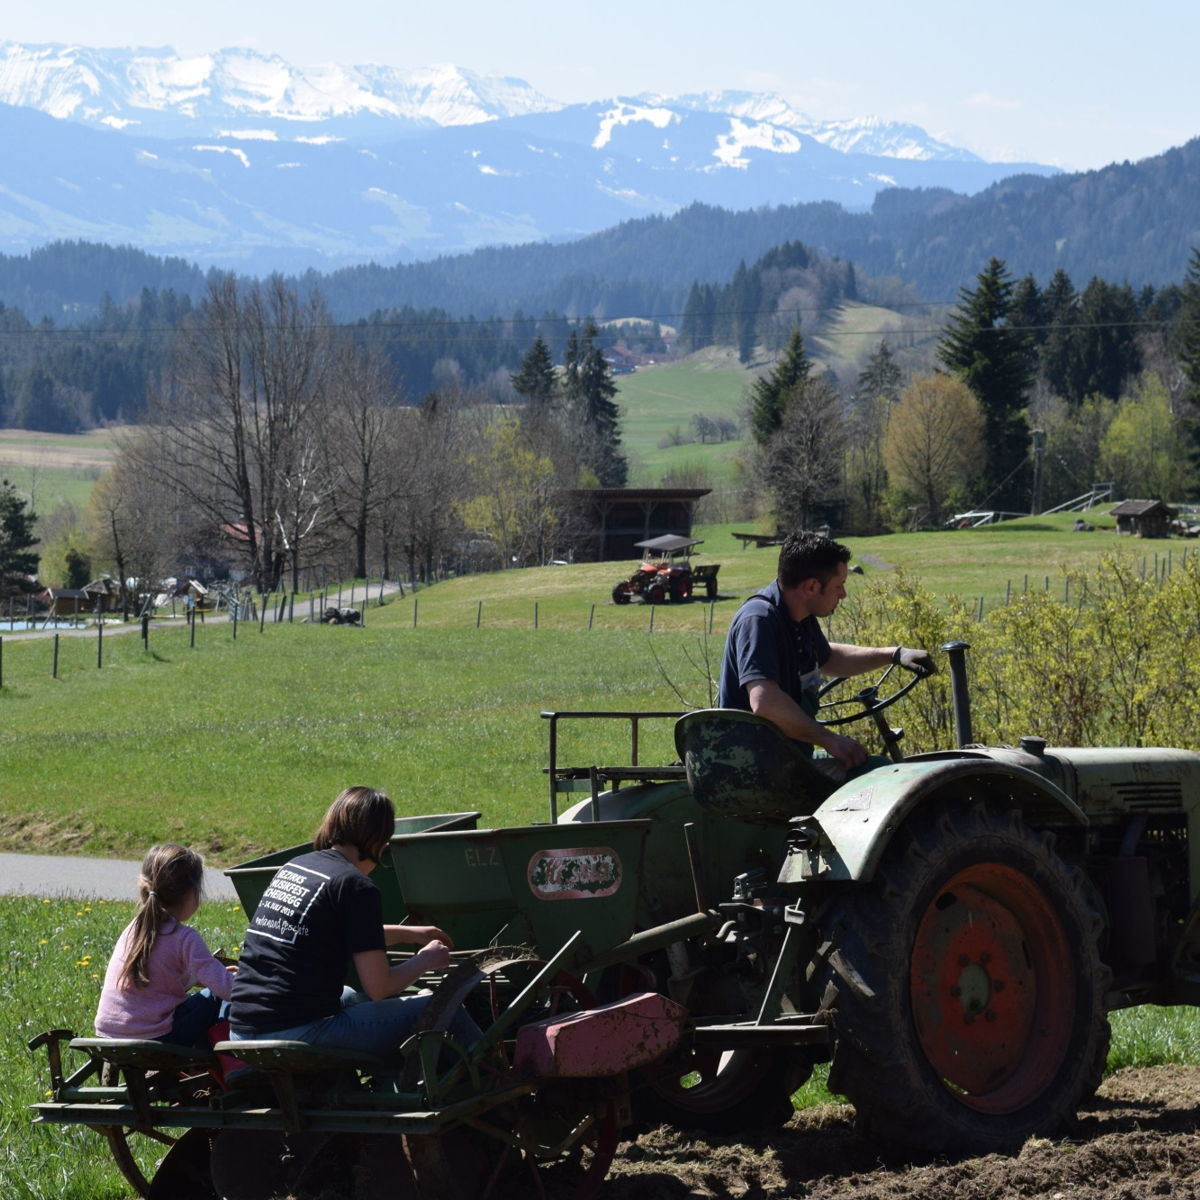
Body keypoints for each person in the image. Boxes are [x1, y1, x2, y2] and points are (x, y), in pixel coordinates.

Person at [229, 786, 463, 1061]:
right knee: (447, 1006)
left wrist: (410, 934)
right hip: (298, 1036)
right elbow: (380, 988)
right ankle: (491, 1084)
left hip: (242, 1030)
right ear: (378, 839)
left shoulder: (296, 866)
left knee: (349, 994)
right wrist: (426, 959)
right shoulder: (355, 885)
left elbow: (335, 933)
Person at [718, 530, 934, 769]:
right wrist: (830, 740)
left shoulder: (800, 617)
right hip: (752, 768)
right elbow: (765, 700)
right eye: (838, 585)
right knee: (874, 773)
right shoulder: (759, 619)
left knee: (872, 766)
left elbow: (829, 658)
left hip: (784, 760)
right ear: (811, 586)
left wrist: (894, 654)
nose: (843, 594)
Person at [95, 844, 235, 1049]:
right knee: (217, 997)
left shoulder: (135, 929)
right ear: (191, 894)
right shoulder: (185, 937)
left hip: (108, 1035)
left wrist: (201, 977)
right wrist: (246, 982)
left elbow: (161, 977)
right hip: (156, 1039)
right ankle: (231, 1059)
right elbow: (228, 989)